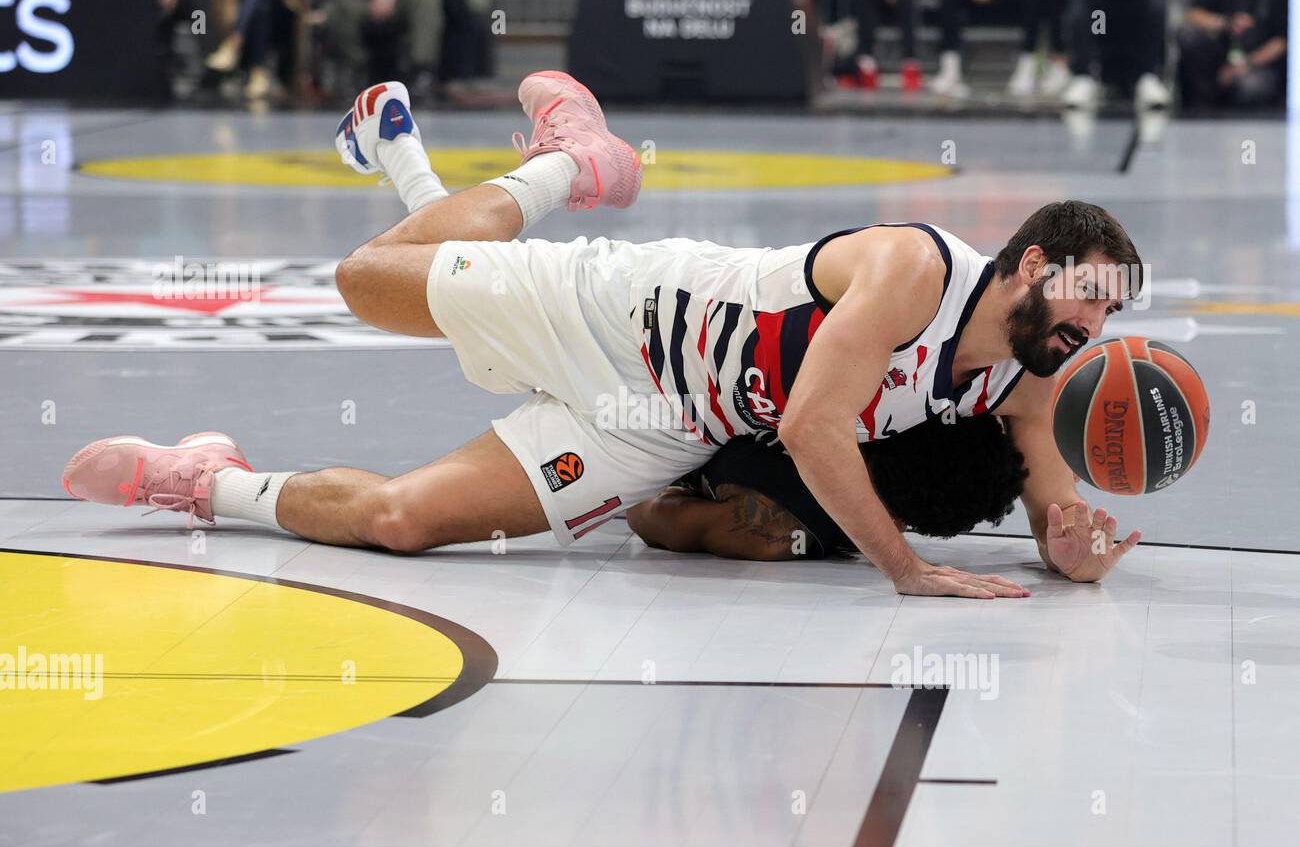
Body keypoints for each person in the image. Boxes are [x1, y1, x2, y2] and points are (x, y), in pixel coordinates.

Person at [62, 74, 1142, 599]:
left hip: (659, 427)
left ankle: (200, 480)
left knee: (401, 521)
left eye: (1112, 317)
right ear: (1037, 267)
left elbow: (1051, 504)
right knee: (360, 281)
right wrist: (905, 568)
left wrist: (1076, 547)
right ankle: (571, 166)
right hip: (620, 313)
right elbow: (815, 425)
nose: (1096, 331)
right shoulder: (916, 267)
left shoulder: (1026, 380)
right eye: (1092, 302)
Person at [628, 414, 1029, 561]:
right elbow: (646, 515)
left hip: (626, 408)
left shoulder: (782, 528)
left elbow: (641, 511)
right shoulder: (786, 531)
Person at [1178, 0, 1287, 111]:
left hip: (1261, 64)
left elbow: (1283, 41)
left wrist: (1245, 65)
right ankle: (1201, 114)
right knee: (1190, 40)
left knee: (1250, 87)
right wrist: (1226, 22)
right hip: (1223, 57)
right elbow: (1192, 13)